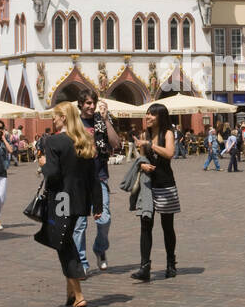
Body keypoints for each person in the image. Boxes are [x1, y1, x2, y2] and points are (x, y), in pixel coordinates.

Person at [38, 102, 102, 307]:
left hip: (61, 199)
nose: (53, 120)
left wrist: (43, 164)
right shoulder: (83, 140)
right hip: (80, 199)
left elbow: (53, 174)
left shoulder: (55, 141)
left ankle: (80, 296)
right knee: (66, 239)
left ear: (63, 118)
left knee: (63, 244)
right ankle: (70, 293)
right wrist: (97, 203)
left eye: (55, 116)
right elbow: (94, 177)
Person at [130, 103, 180, 281]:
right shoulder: (145, 134)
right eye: (147, 114)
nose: (148, 117)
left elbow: (169, 153)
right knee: (146, 224)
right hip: (148, 185)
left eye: (151, 114)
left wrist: (149, 144)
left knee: (167, 226)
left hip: (165, 185)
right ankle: (145, 267)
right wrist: (142, 163)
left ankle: (170, 263)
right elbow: (142, 156)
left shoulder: (167, 133)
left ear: (160, 116)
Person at [77, 92, 119, 271]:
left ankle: (100, 249)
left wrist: (106, 119)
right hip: (78, 179)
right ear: (80, 104)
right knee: (79, 225)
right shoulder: (75, 123)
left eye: (93, 103)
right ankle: (82, 262)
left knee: (104, 220)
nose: (91, 106)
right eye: (87, 103)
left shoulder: (100, 122)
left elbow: (115, 143)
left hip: (99, 176)